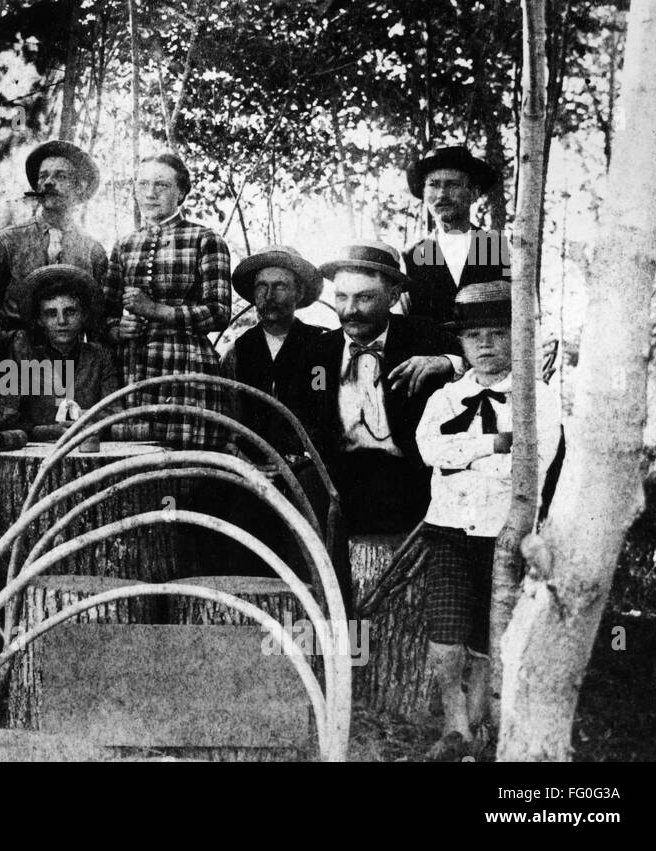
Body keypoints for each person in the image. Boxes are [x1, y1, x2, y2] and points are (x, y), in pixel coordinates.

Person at [413, 280, 561, 760]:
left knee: (487, 634)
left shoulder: (538, 399)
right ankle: (454, 728)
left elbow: (533, 463)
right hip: (449, 528)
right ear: (460, 343)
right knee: (445, 633)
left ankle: (476, 729)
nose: (486, 345)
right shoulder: (444, 398)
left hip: (504, 533)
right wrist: (493, 445)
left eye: (498, 333)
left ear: (518, 338)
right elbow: (431, 451)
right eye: (474, 336)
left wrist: (468, 458)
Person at [289, 241, 463, 608]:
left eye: (365, 298)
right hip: (341, 473)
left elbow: (481, 354)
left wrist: (446, 362)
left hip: (410, 471)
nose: (349, 311)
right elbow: (304, 418)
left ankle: (403, 613)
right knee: (305, 493)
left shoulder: (422, 336)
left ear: (394, 295)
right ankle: (330, 613)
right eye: (342, 298)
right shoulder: (318, 354)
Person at [103, 153, 232, 449]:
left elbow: (219, 312)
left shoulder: (205, 240)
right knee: (134, 461)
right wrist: (118, 329)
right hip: (133, 373)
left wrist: (156, 310)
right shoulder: (124, 245)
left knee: (187, 466)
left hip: (187, 373)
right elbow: (104, 316)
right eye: (143, 184)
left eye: (161, 185)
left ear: (181, 192)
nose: (149, 193)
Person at [0, 140, 108, 334]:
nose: (49, 182)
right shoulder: (7, 241)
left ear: (79, 188)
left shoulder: (93, 251)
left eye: (61, 176)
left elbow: (100, 320)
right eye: (43, 177)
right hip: (15, 359)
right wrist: (2, 343)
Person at [220, 245, 327, 456]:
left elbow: (323, 408)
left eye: (280, 286)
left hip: (306, 465)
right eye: (261, 286)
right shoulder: (237, 352)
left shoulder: (319, 347)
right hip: (250, 466)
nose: (269, 296)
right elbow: (229, 421)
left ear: (299, 292)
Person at [0, 264, 121, 437]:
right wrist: (46, 431)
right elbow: (6, 418)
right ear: (39, 320)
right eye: (51, 313)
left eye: (70, 311)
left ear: (84, 315)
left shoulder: (100, 355)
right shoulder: (24, 358)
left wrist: (85, 416)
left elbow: (116, 412)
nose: (62, 321)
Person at [401, 145, 510, 325]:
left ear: (474, 193)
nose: (442, 194)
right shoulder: (409, 258)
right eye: (433, 185)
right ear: (423, 192)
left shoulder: (501, 250)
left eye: (453, 185)